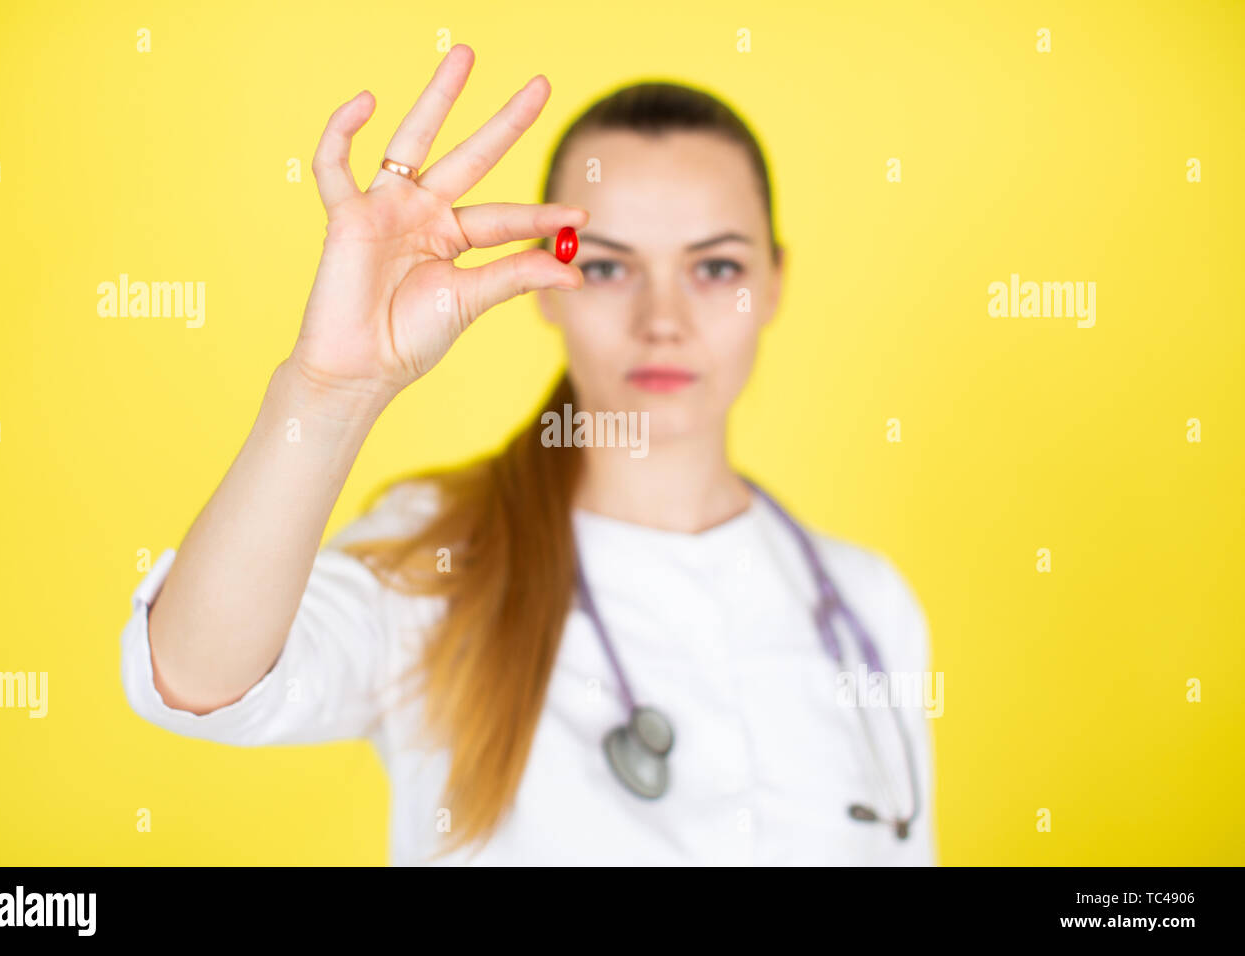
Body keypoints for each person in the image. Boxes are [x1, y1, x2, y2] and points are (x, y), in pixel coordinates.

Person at [119, 43, 938, 866]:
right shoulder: (438, 556)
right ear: (546, 283)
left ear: (775, 282)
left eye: (716, 267)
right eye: (608, 266)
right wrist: (328, 391)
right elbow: (197, 680)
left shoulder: (871, 603)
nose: (663, 321)